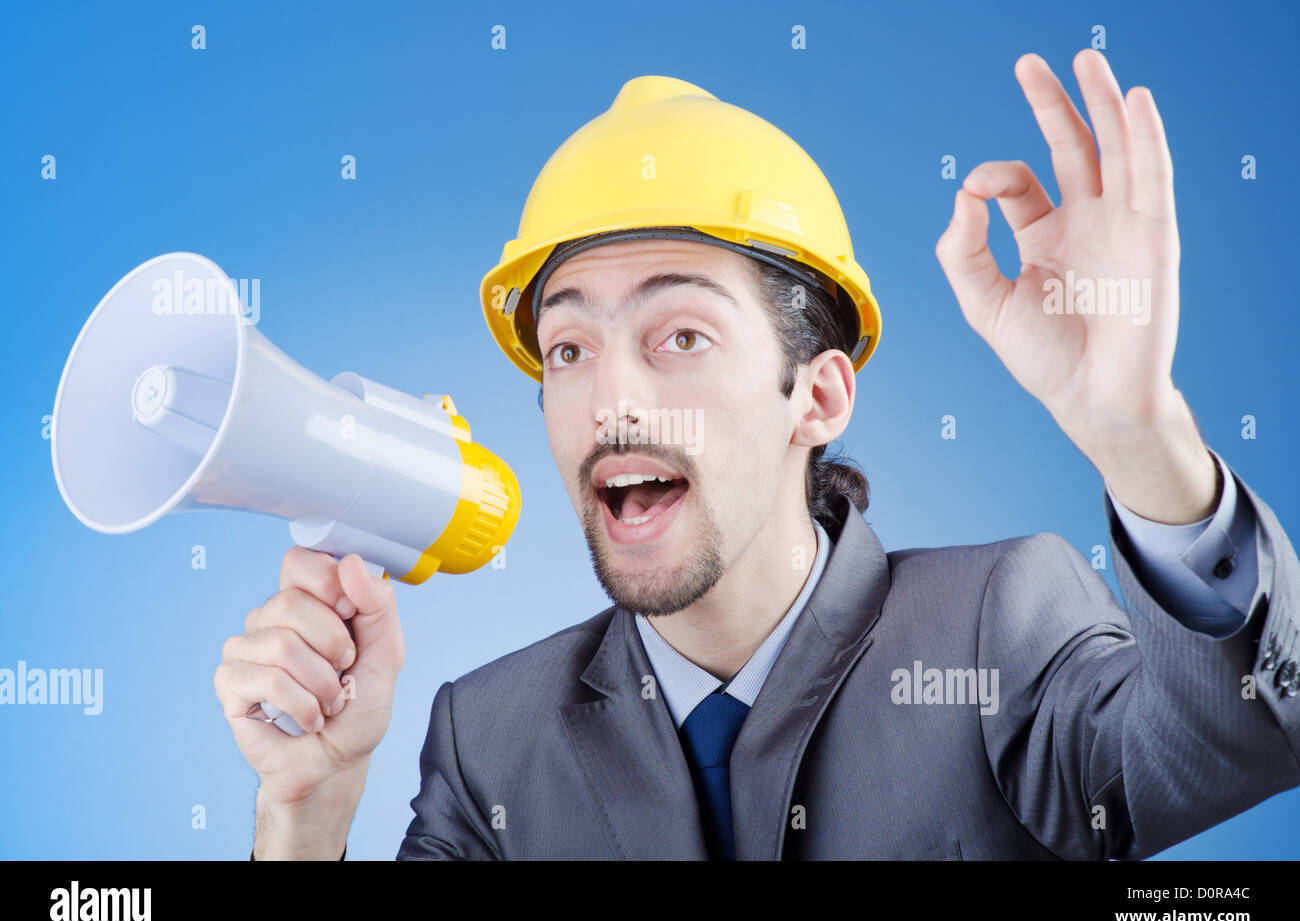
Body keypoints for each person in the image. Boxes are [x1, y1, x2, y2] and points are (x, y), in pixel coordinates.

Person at [216, 50, 1300, 860]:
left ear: (816, 395)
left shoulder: (997, 628)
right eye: (569, 349)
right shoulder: (490, 738)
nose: (612, 402)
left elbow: (1236, 741)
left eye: (679, 336)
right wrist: (308, 811)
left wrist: (1137, 437)